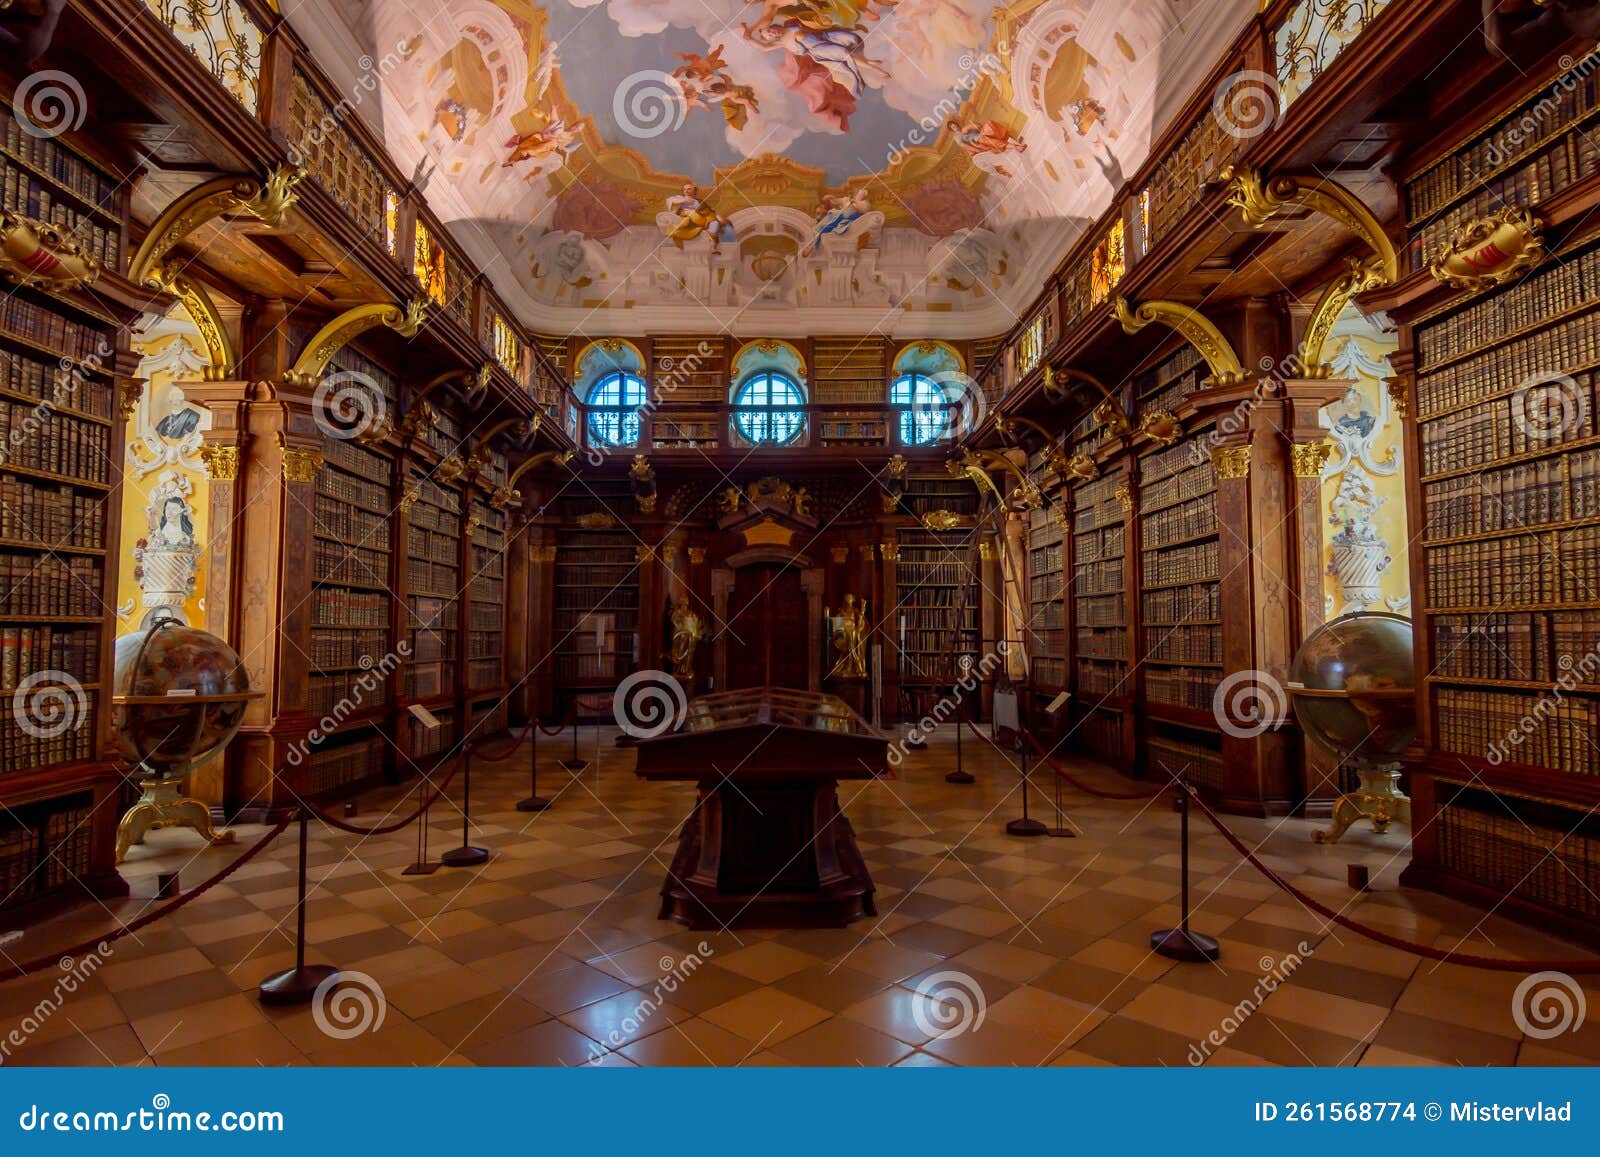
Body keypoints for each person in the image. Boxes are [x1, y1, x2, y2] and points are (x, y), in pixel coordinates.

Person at [663, 184, 736, 252]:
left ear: (694, 191)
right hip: (686, 219)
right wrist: (683, 201)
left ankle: (712, 244)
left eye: (689, 189)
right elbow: (669, 200)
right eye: (684, 189)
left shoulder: (699, 202)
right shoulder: (679, 198)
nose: (686, 191)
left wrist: (716, 217)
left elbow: (707, 211)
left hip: (701, 219)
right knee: (689, 216)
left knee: (714, 222)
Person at [826, 593, 868, 680]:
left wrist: (863, 609)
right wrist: (827, 617)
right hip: (844, 632)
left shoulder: (854, 610)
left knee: (851, 648)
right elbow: (837, 623)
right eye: (847, 598)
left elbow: (861, 620)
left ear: (853, 600)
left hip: (852, 631)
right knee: (846, 650)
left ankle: (856, 666)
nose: (849, 599)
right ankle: (853, 667)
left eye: (850, 598)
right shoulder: (841, 610)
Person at [669, 598, 704, 681]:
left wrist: (697, 633)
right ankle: (678, 669)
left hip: (691, 638)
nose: (684, 606)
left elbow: (695, 624)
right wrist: (681, 629)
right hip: (681, 637)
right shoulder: (677, 613)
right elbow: (675, 622)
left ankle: (686, 669)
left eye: (686, 604)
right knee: (680, 653)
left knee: (689, 654)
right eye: (683, 604)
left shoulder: (691, 614)